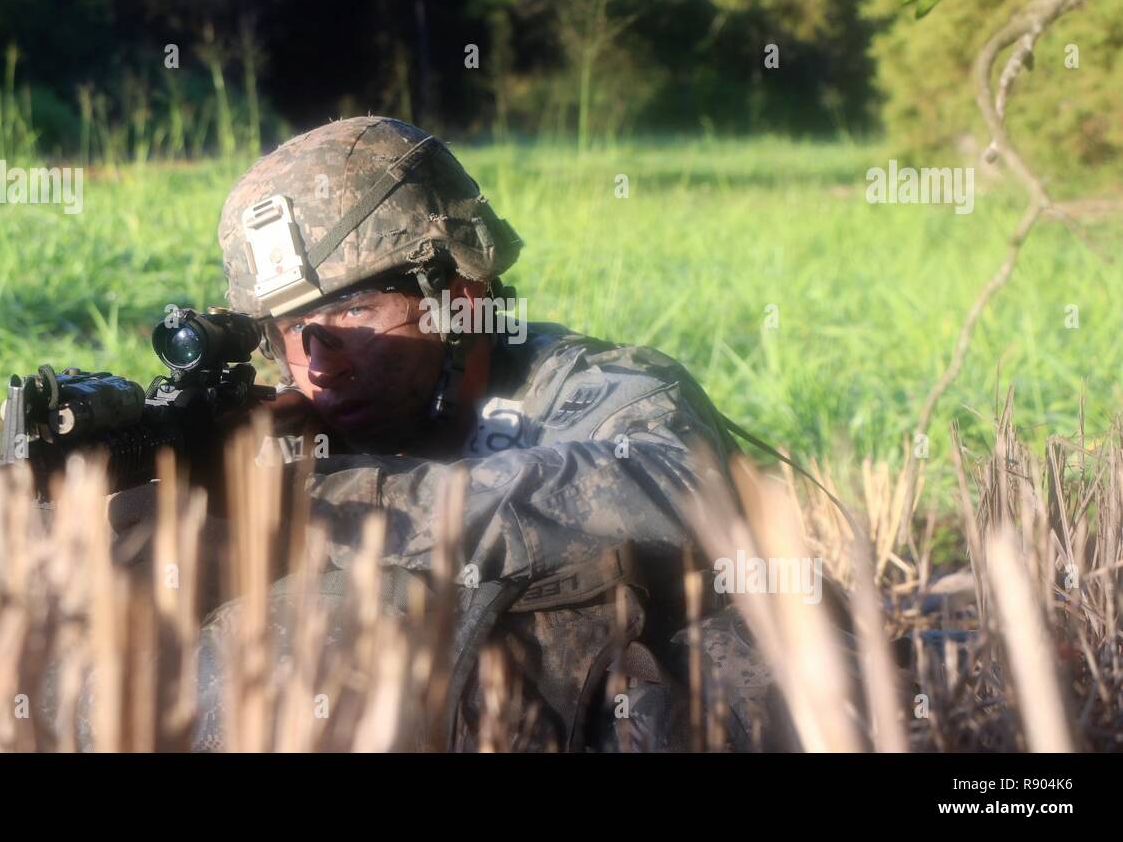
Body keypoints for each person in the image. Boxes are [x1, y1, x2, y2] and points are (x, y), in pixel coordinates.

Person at [194, 115, 769, 751]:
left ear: (463, 298)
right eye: (289, 332)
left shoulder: (598, 386)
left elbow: (677, 484)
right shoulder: (295, 430)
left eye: (355, 311)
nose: (323, 362)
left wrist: (359, 503)